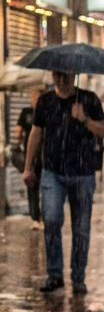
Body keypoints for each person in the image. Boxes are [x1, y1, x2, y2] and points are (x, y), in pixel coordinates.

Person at [24, 71, 104, 294]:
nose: (62, 80)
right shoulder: (45, 101)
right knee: (51, 220)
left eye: (66, 75)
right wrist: (28, 166)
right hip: (53, 171)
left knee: (81, 229)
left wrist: (84, 119)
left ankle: (78, 277)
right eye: (58, 75)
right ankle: (55, 274)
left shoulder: (88, 99)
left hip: (83, 172)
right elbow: (36, 133)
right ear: (52, 75)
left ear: (74, 75)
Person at [14, 89, 42, 223]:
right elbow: (17, 132)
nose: (34, 99)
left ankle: (37, 217)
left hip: (41, 155)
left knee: (38, 187)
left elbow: (17, 133)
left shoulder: (33, 112)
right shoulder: (27, 112)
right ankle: (36, 217)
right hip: (32, 155)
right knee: (33, 186)